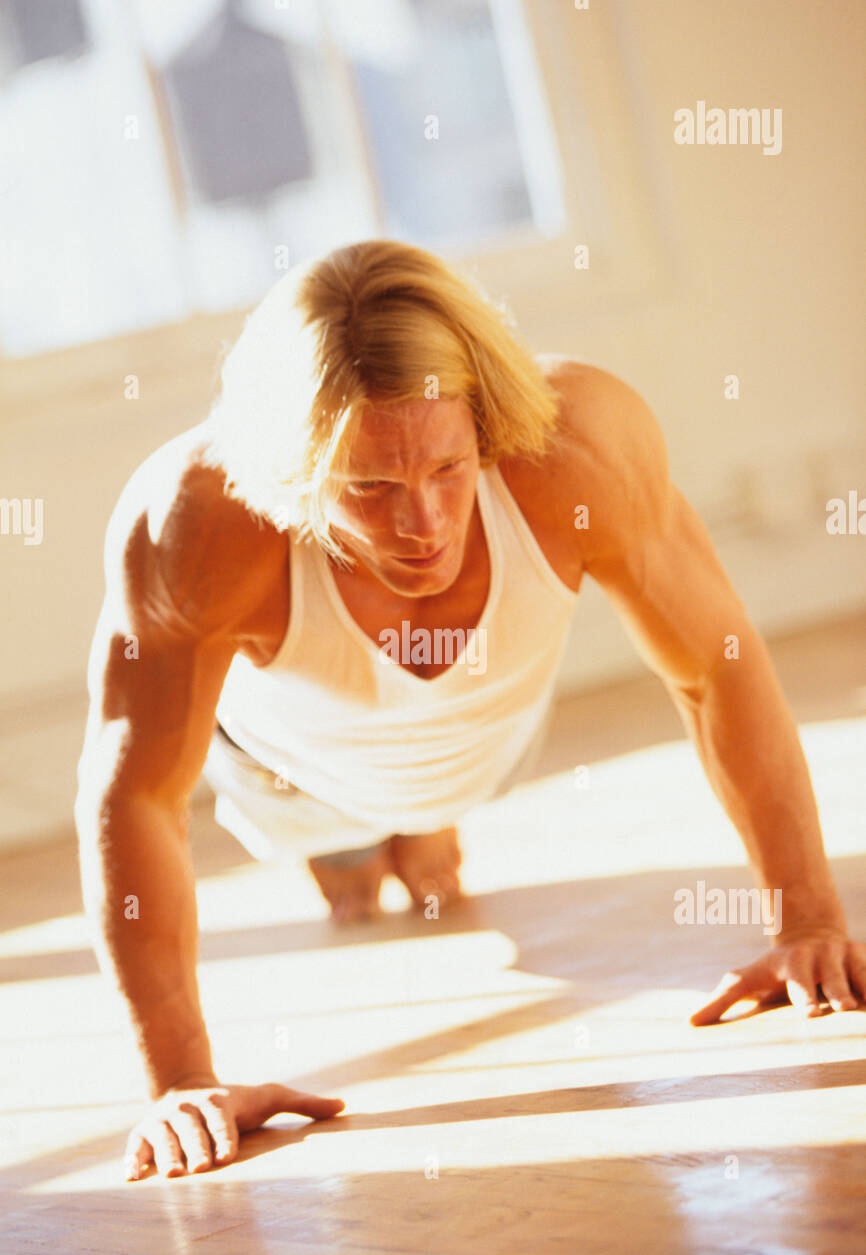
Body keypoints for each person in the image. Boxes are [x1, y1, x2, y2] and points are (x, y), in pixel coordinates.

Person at [74, 240, 863, 1181]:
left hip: (483, 746)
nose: (424, 526)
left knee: (435, 863)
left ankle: (423, 828)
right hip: (293, 774)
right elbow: (135, 796)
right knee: (358, 884)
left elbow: (715, 671)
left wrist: (808, 919)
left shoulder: (578, 447)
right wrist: (177, 1081)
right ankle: (361, 845)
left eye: (448, 469)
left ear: (483, 420)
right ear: (291, 472)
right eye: (367, 488)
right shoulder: (197, 518)